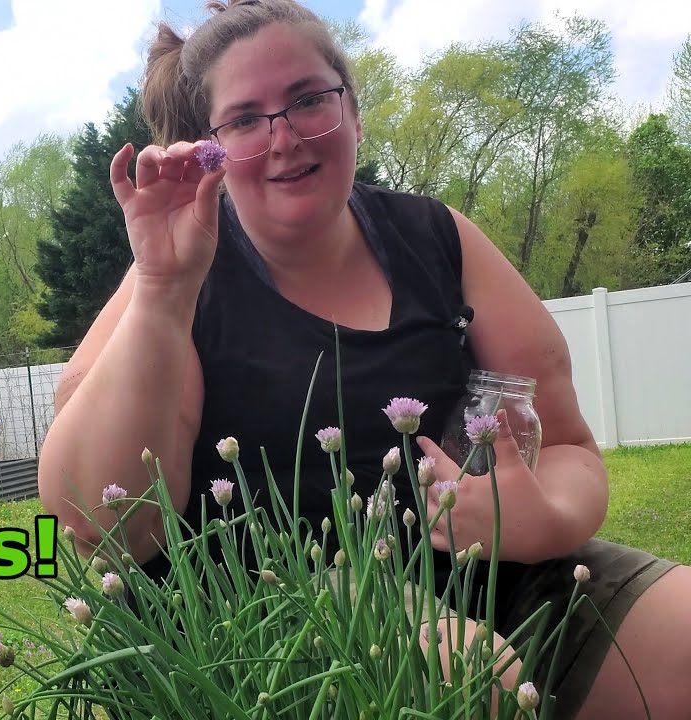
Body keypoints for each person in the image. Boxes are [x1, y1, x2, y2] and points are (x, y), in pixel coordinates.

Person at [35, 1, 691, 718]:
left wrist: (543, 519)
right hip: (256, 605)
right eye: (246, 119)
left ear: (352, 113)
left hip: (475, 569)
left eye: (308, 100)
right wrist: (163, 290)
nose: (283, 137)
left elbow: (565, 443)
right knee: (466, 680)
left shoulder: (437, 239)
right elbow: (102, 526)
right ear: (211, 149)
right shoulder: (179, 271)